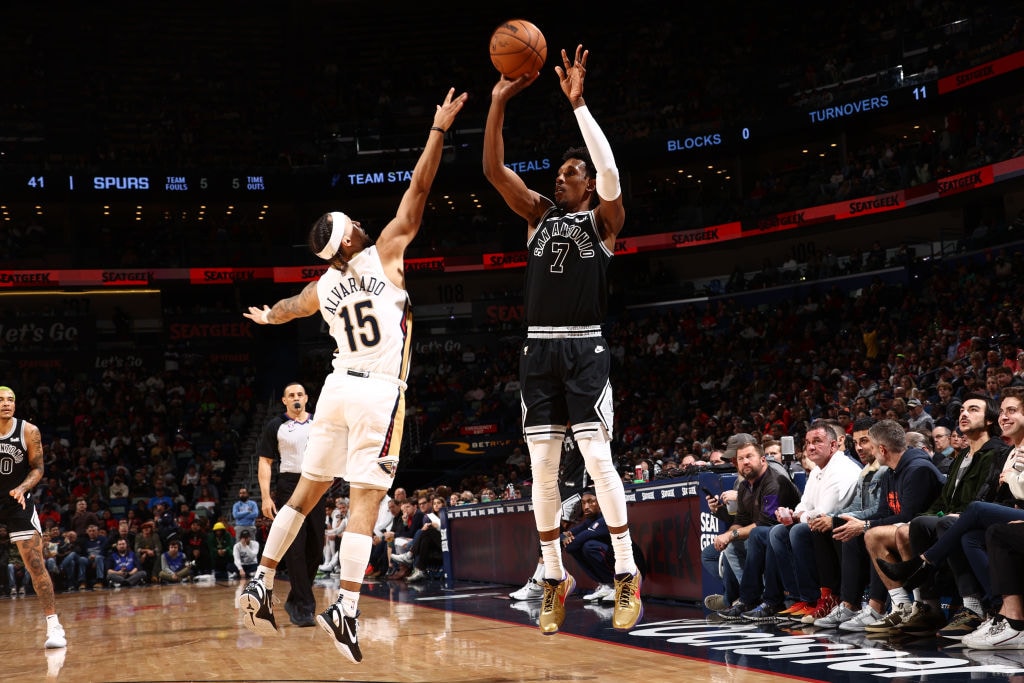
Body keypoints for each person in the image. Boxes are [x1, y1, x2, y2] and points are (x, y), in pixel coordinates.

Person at [236, 86, 468, 664]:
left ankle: (261, 580)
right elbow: (418, 190)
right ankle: (346, 606)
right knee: (365, 497)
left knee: (307, 496)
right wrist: (437, 131)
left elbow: (293, 304)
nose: (364, 224)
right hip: (378, 392)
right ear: (349, 240)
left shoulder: (327, 286)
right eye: (355, 224)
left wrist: (269, 315)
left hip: (334, 389)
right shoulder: (386, 251)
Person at [483, 44, 640, 635]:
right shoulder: (538, 216)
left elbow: (611, 173)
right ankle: (553, 575)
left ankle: (626, 571)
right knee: (541, 470)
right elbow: (494, 173)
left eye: (570, 173)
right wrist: (497, 103)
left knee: (598, 460)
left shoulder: (602, 222)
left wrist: (577, 104)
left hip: (584, 345)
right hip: (538, 349)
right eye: (560, 172)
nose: (561, 176)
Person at [0, 386, 66, 648]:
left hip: (17, 501)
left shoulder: (28, 431)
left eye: (10, 400)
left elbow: (38, 467)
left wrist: (23, 488)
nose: (6, 404)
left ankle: (54, 626)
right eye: (1, 400)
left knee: (35, 564)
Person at [252, 382, 321, 628]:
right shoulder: (275, 425)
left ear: (306, 398)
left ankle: (294, 600)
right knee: (295, 547)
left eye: (300, 394)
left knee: (317, 549)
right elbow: (265, 462)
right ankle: (303, 607)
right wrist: (266, 497)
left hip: (316, 484)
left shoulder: (319, 422)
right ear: (284, 400)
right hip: (289, 484)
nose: (296, 398)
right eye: (291, 395)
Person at [563, 490, 614, 602]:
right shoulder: (590, 520)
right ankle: (605, 585)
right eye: (583, 503)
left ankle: (614, 585)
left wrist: (568, 540)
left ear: (601, 502)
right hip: (613, 560)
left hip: (631, 567)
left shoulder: (606, 518)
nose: (586, 507)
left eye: (591, 502)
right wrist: (565, 538)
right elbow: (564, 536)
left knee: (588, 546)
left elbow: (572, 543)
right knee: (578, 548)